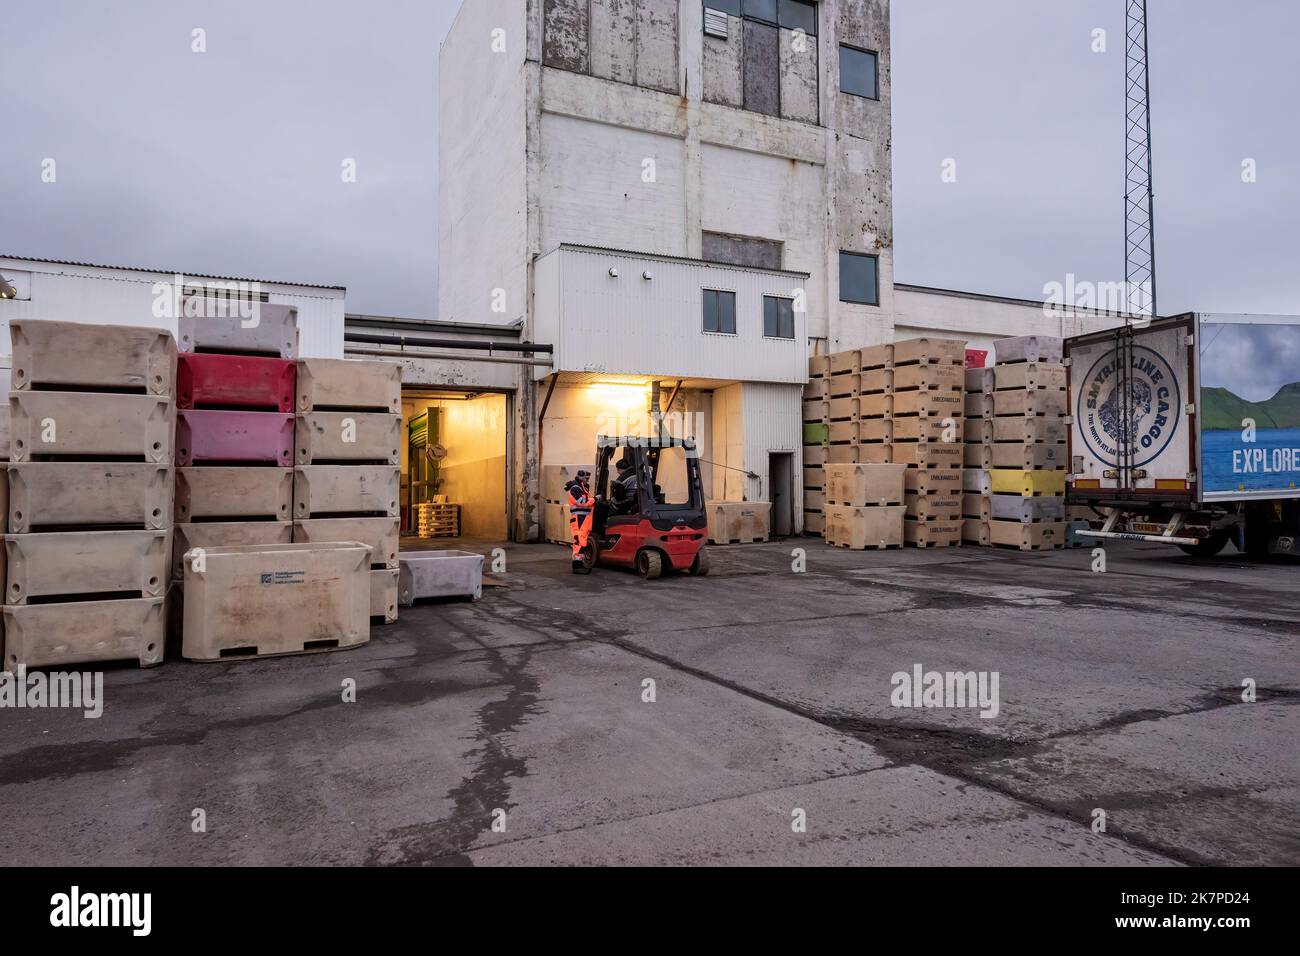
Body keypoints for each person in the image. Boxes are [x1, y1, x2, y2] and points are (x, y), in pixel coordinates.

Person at [566, 470, 594, 573]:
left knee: (582, 541)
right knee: (579, 541)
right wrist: (594, 499)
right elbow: (582, 502)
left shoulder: (581, 488)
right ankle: (577, 566)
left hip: (583, 519)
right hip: (579, 519)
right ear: (581, 478)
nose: (587, 481)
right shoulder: (576, 488)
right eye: (586, 478)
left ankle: (580, 564)